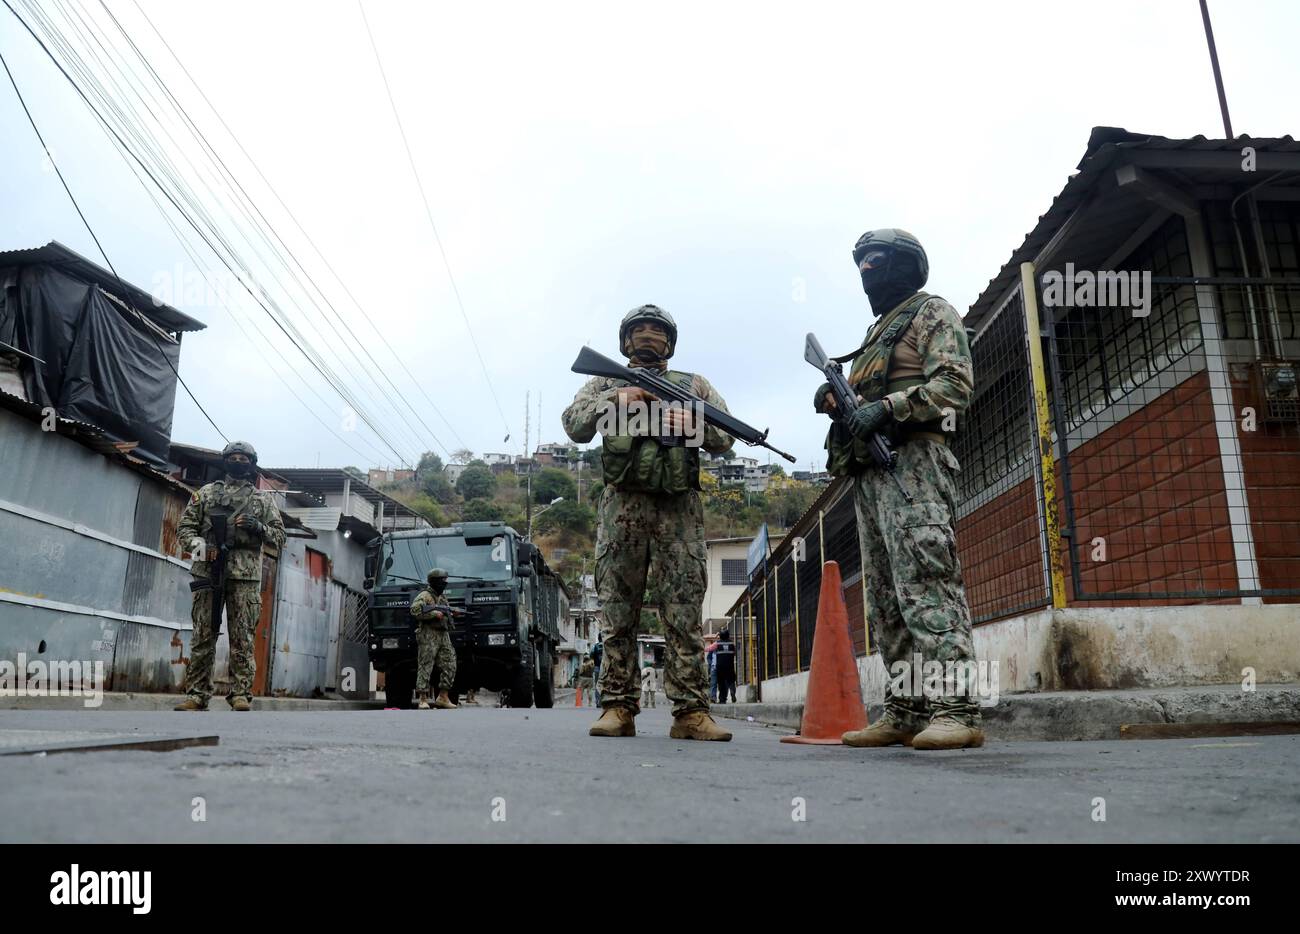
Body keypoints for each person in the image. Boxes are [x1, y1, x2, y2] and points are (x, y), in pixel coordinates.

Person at [814, 228, 983, 750]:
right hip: (870, 474)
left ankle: (956, 707)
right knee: (886, 598)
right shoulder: (876, 332)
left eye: (877, 260)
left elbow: (955, 385)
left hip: (914, 463)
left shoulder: (932, 312)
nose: (867, 270)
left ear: (906, 265)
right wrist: (837, 400)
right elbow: (866, 396)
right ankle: (907, 709)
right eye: (860, 262)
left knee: (927, 585)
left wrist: (888, 409)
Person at [562, 304, 733, 740]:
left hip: (679, 511)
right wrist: (615, 400)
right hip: (622, 508)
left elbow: (726, 437)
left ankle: (691, 712)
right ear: (624, 341)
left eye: (657, 330)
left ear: (670, 342)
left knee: (683, 611)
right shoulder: (605, 380)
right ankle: (618, 707)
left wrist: (693, 421)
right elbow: (575, 425)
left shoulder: (695, 385)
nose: (648, 335)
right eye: (640, 329)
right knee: (618, 611)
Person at [174, 441, 285, 711]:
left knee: (242, 638)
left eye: (243, 458)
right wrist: (203, 548)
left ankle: (240, 694)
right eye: (233, 457)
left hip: (244, 576)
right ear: (225, 461)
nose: (237, 462)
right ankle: (197, 695)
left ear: (251, 464)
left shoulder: (262, 500)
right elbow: (185, 530)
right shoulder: (206, 494)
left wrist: (258, 527)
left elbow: (280, 536)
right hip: (209, 572)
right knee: (203, 635)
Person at [410, 568, 458, 710]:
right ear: (435, 581)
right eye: (442, 581)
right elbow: (415, 610)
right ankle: (423, 699)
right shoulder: (425, 595)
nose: (444, 584)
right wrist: (433, 614)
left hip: (443, 635)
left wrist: (453, 613)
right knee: (426, 665)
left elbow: (446, 612)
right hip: (428, 634)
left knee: (450, 664)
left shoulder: (441, 597)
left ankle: (443, 696)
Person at [714, 627, 737, 704]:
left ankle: (722, 699)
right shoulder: (732, 644)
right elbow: (735, 653)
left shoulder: (717, 643)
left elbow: (708, 649)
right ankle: (733, 692)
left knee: (721, 683)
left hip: (720, 667)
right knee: (731, 680)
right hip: (730, 666)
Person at [590, 638, 604, 707]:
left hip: (597, 668)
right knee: (605, 685)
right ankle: (603, 701)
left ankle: (597, 702)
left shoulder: (595, 646)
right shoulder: (607, 646)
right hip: (605, 668)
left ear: (598, 638)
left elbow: (591, 655)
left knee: (597, 685)